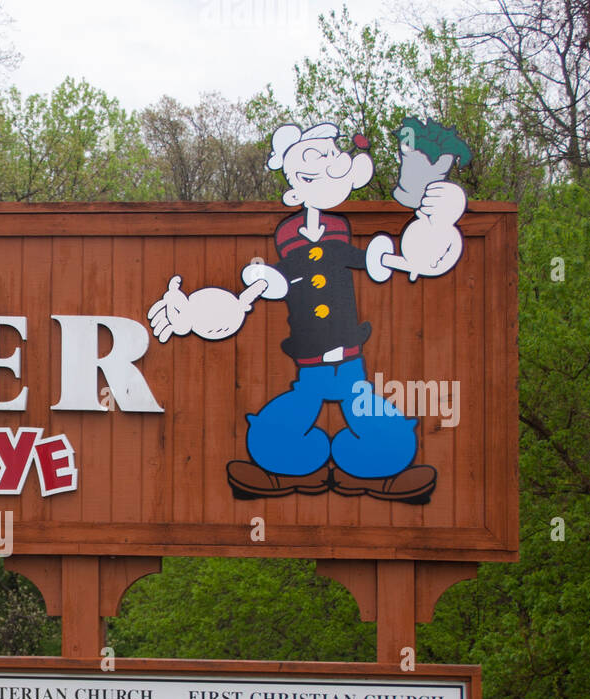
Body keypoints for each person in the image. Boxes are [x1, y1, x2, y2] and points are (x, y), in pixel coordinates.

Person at [147, 122, 467, 503]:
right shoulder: (288, 260)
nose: (332, 167)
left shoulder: (344, 245)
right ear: (295, 189)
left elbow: (405, 261)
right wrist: (197, 315)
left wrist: (438, 224)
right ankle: (289, 470)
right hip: (310, 369)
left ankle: (375, 470)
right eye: (317, 165)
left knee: (387, 432)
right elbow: (243, 300)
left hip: (350, 365)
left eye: (333, 158)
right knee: (272, 433)